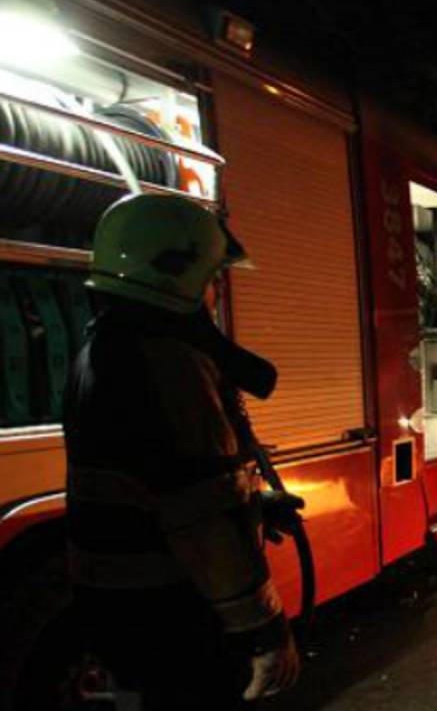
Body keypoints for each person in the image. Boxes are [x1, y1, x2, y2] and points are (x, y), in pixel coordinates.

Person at [64, 193, 301, 708]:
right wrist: (263, 631)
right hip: (175, 620)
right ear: (178, 274)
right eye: (213, 279)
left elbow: (148, 486)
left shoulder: (100, 348)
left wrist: (257, 507)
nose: (216, 293)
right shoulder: (168, 363)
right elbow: (200, 510)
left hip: (120, 618)